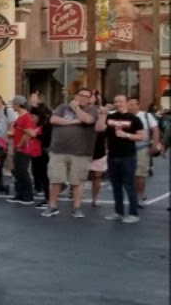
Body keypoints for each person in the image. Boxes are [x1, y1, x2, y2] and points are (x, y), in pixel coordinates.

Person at [43, 88, 104, 218]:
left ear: (90, 99)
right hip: (58, 150)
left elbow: (88, 120)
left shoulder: (92, 110)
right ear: (75, 95)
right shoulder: (63, 107)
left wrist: (76, 109)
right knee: (55, 179)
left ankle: (77, 207)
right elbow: (54, 120)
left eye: (86, 97)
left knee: (77, 181)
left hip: (80, 152)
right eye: (81, 95)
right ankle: (52, 206)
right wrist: (75, 121)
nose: (83, 98)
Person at [101, 95, 145, 223]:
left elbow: (142, 136)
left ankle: (133, 213)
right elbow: (98, 128)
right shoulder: (109, 117)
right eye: (116, 101)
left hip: (128, 156)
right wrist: (104, 113)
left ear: (126, 103)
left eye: (121, 101)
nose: (118, 103)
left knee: (129, 185)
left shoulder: (134, 119)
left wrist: (125, 135)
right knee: (116, 186)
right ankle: (118, 212)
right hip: (112, 156)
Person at [8, 97, 40, 205]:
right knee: (18, 172)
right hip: (18, 147)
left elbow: (28, 133)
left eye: (13, 104)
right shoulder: (20, 117)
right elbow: (19, 131)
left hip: (23, 148)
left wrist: (20, 146)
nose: (12, 105)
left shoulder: (26, 117)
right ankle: (20, 194)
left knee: (23, 172)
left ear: (18, 104)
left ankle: (28, 196)